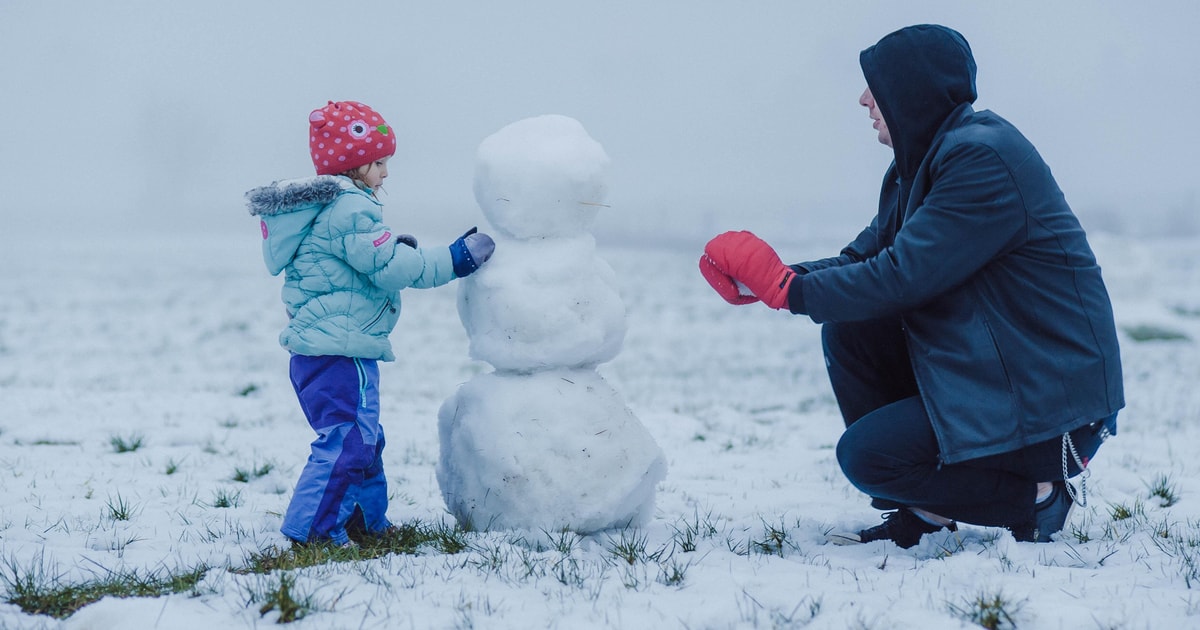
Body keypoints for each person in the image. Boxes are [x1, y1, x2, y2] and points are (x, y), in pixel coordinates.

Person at [699, 25, 1123, 548]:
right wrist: (774, 279)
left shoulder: (982, 159)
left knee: (867, 456)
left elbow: (902, 276)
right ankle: (925, 514)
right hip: (999, 375)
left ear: (910, 90)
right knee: (850, 330)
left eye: (873, 87)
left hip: (1053, 408)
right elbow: (863, 260)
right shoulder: (919, 168)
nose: (862, 100)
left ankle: (1038, 499)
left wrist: (789, 290)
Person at [246, 100, 495, 547]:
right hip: (340, 352)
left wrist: (394, 246)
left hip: (323, 351)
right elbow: (392, 268)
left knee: (364, 440)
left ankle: (361, 518)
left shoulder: (329, 210)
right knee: (346, 441)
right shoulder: (349, 210)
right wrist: (455, 259)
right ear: (353, 165)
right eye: (378, 163)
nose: (385, 173)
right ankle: (313, 532)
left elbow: (361, 259)